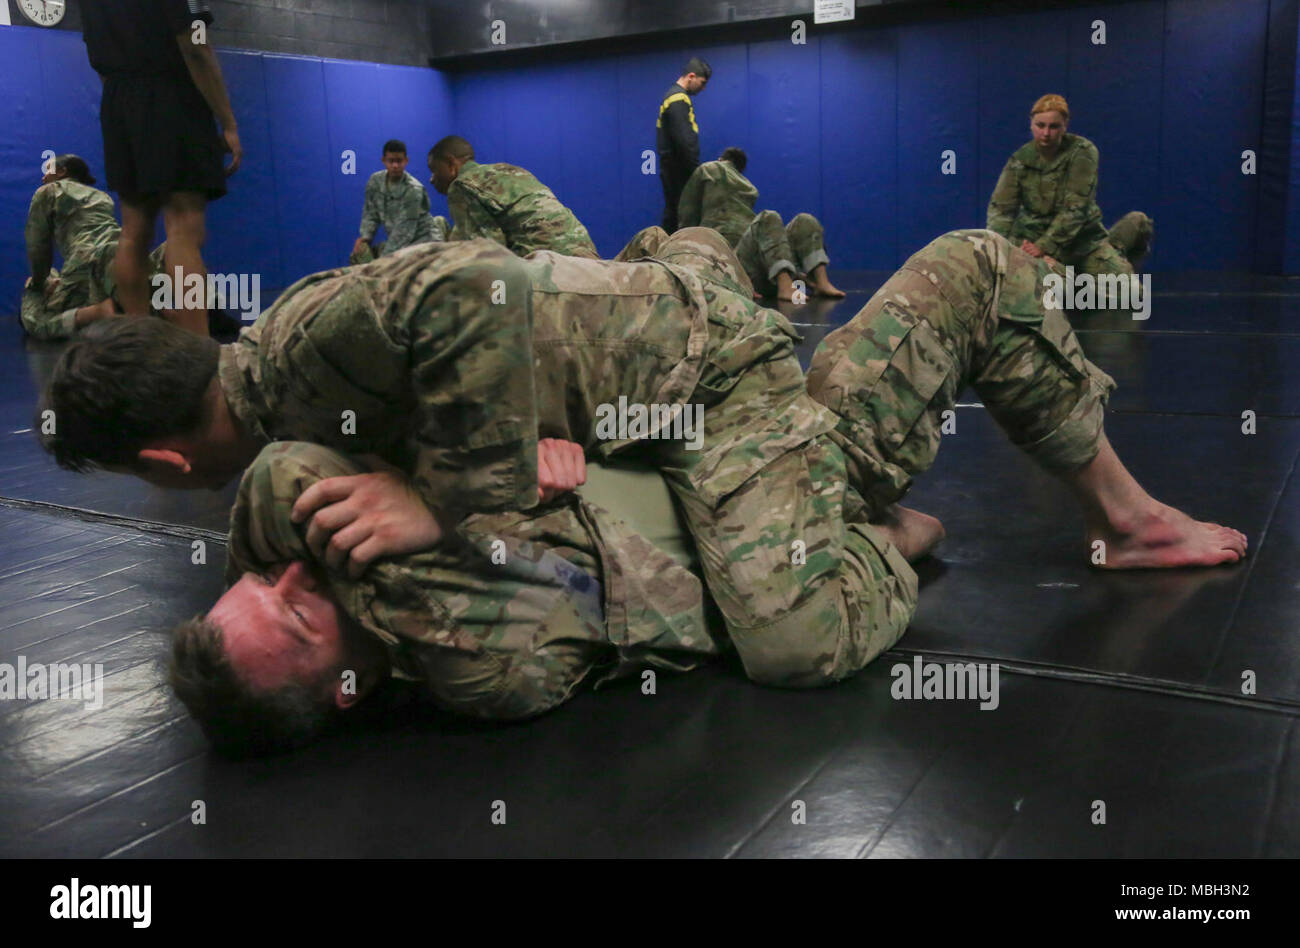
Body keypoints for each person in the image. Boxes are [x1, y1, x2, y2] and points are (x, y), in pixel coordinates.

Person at [41, 229, 1244, 693]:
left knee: (790, 637)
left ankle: (935, 521)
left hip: (713, 386)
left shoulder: (299, 355)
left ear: (159, 456)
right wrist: (531, 467)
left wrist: (450, 493)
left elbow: (484, 284)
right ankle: (699, 259)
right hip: (639, 418)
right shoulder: (283, 438)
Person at [170, 440, 722, 755]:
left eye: (266, 577)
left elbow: (271, 474)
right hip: (719, 508)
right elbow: (285, 471)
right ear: (349, 687)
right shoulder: (479, 671)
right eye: (296, 614)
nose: (298, 571)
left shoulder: (348, 559)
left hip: (630, 434)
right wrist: (474, 489)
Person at [78, 0, 242, 336]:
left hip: (117, 101)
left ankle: (142, 347)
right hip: (172, 94)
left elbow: (95, 54)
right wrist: (227, 121)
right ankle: (198, 349)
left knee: (133, 232)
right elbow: (196, 42)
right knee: (185, 228)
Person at [987, 94, 1153, 278]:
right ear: (1031, 124)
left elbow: (1076, 208)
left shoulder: (1082, 152)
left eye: (1054, 126)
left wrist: (1044, 246)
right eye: (1040, 125)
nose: (1046, 133)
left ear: (1065, 125)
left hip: (1081, 243)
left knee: (1125, 291)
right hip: (1032, 243)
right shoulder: (1019, 160)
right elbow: (1001, 211)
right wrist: (999, 251)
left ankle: (1113, 252)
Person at [677, 146, 844, 301]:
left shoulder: (708, 169)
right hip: (747, 270)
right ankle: (818, 281)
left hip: (737, 269)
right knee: (802, 220)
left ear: (721, 159)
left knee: (776, 218)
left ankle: (788, 284)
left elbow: (687, 217)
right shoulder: (747, 187)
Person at [427, 136, 598, 259]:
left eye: (434, 170)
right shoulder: (511, 170)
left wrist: (497, 302)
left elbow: (491, 257)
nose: (432, 179)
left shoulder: (462, 186)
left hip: (546, 266)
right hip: (586, 257)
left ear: (451, 164)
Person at [21, 155, 123, 339]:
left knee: (38, 322)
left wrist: (37, 284)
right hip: (123, 255)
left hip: (86, 259)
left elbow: (38, 247)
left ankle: (98, 312)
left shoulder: (49, 191)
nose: (43, 178)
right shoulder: (102, 196)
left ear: (62, 171)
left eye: (48, 171)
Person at [351, 140, 440, 265]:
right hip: (399, 244)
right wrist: (365, 238)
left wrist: (383, 262)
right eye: (391, 161)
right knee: (360, 255)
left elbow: (404, 232)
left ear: (406, 161)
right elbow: (370, 213)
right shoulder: (375, 182)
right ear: (383, 160)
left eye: (399, 161)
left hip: (424, 243)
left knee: (388, 271)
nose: (395, 165)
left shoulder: (413, 189)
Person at [657, 57, 711, 233]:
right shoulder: (678, 98)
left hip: (674, 170)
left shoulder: (674, 97)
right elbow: (684, 141)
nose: (703, 88)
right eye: (702, 83)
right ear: (691, 76)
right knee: (680, 219)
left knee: (674, 215)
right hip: (679, 171)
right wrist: (696, 172)